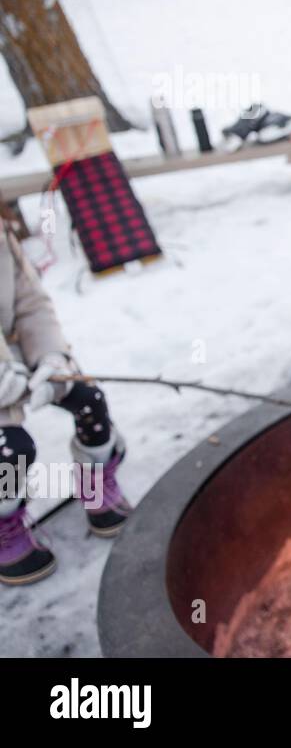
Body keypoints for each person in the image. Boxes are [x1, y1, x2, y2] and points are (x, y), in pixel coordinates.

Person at [0, 226, 132, 586]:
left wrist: (51, 358)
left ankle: (96, 485)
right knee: (11, 451)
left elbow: (31, 304)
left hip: (15, 358)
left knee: (89, 401)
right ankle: (3, 523)